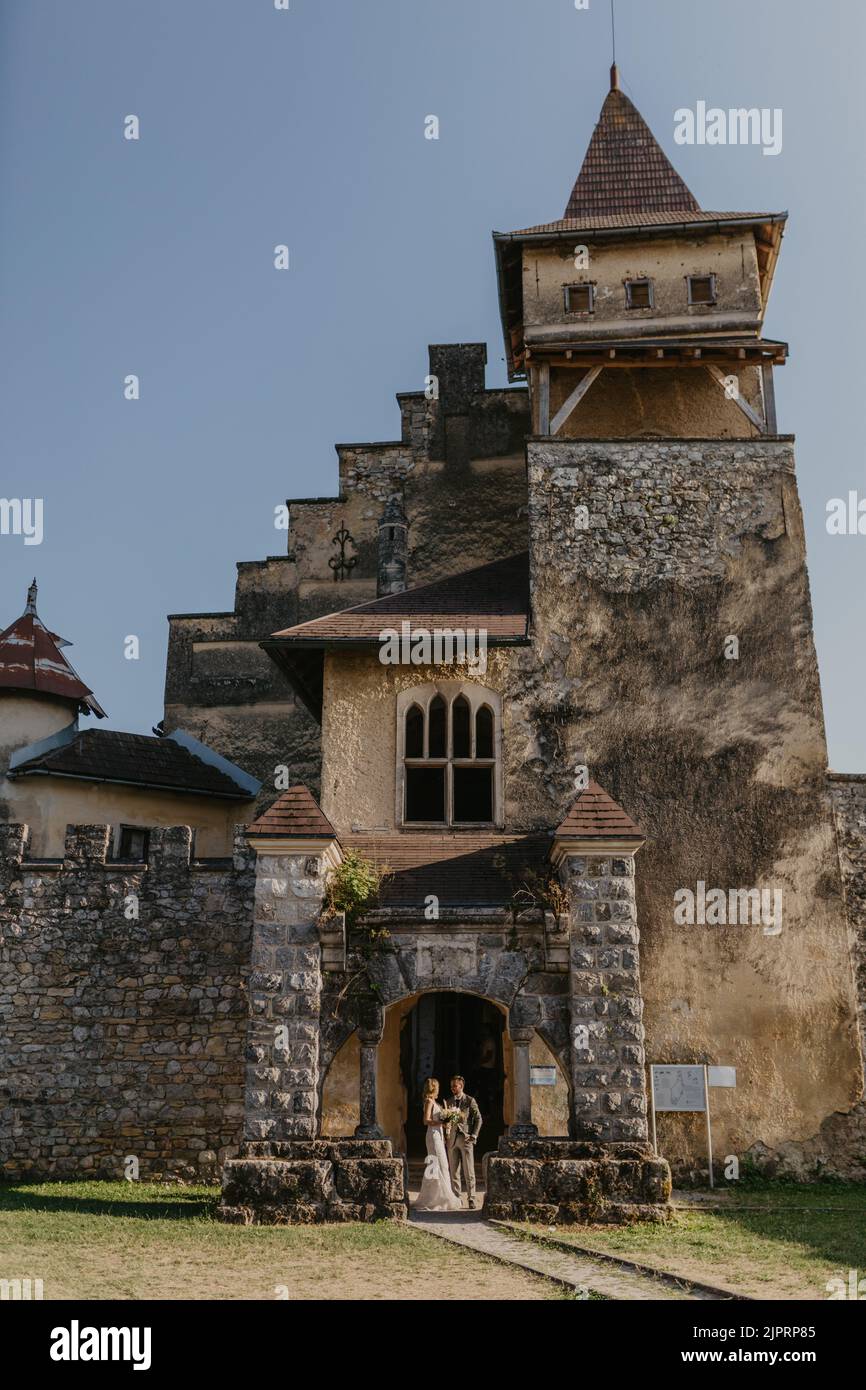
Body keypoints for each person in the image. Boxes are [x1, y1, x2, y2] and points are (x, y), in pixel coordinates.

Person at [414, 1078, 462, 1212]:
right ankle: (436, 1198)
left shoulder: (436, 1102)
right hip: (433, 1135)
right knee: (437, 1165)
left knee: (442, 1165)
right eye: (438, 1087)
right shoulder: (429, 1101)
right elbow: (426, 1120)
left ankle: (440, 1196)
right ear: (434, 1088)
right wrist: (441, 1121)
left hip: (439, 1135)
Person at [445, 1075, 482, 1210]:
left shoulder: (470, 1101)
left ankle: (471, 1198)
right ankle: (456, 1198)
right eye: (451, 1086)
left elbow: (479, 1119)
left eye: (455, 1086)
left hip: (466, 1139)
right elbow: (446, 1121)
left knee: (469, 1171)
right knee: (454, 1171)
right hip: (452, 1140)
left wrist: (474, 1135)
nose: (452, 1088)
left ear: (461, 1086)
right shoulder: (448, 1102)